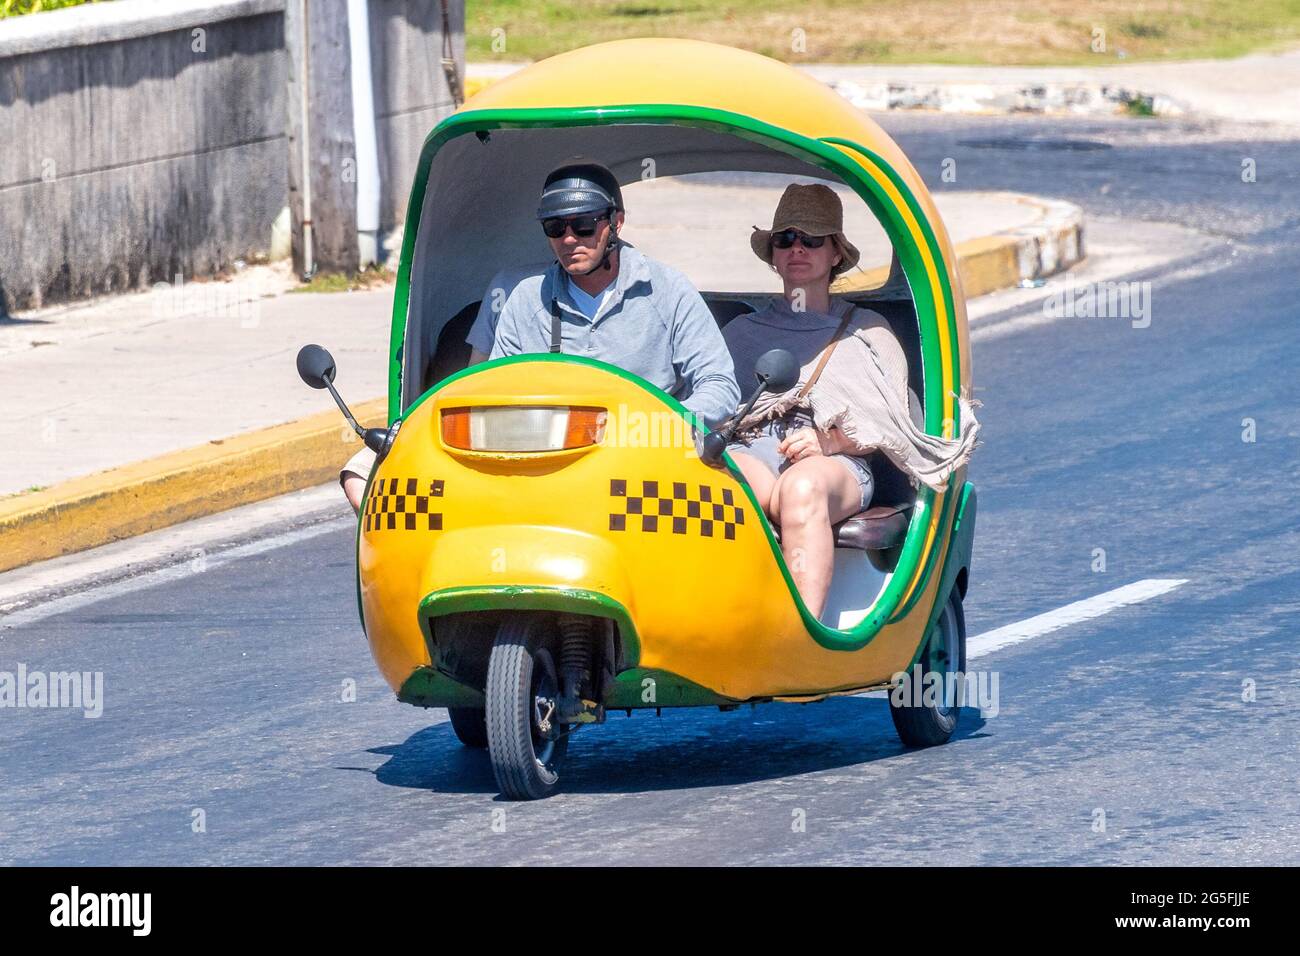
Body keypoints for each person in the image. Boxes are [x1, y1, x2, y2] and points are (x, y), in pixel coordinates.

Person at [340, 162, 741, 513]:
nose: (569, 239)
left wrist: (664, 427)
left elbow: (719, 385)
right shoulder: (523, 298)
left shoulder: (667, 290)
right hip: (537, 458)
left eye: (584, 225)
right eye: (555, 227)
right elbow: (489, 393)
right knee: (368, 471)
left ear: (615, 223)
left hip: (639, 465)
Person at [723, 183, 979, 618]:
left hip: (837, 463)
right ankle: (735, 626)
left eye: (811, 239)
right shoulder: (742, 333)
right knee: (726, 487)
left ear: (835, 253)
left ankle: (800, 639)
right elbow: (711, 406)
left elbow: (894, 429)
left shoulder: (867, 332)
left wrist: (829, 443)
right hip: (753, 449)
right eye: (785, 239)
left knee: (801, 490)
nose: (797, 249)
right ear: (773, 253)